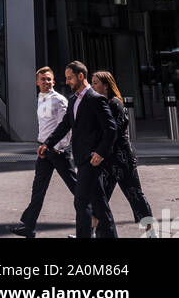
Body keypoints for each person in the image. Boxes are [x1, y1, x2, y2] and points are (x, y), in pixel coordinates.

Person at [40, 60, 117, 239]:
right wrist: (47, 143)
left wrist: (101, 152)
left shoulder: (96, 99)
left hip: (92, 159)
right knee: (99, 204)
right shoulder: (74, 99)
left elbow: (111, 128)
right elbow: (64, 125)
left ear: (81, 76)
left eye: (70, 78)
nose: (67, 82)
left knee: (81, 200)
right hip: (81, 158)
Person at [9, 66, 76, 238]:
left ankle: (91, 225)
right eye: (42, 79)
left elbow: (66, 127)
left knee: (77, 189)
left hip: (58, 151)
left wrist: (59, 147)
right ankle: (28, 227)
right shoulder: (40, 98)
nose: (46, 82)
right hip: (44, 150)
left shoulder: (59, 100)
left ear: (53, 81)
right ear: (37, 82)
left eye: (48, 79)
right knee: (37, 189)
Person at [91, 71, 153, 229]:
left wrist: (99, 150)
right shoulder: (101, 104)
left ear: (105, 86)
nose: (92, 86)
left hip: (122, 159)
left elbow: (114, 131)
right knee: (99, 197)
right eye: (92, 82)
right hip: (107, 159)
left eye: (96, 82)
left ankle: (151, 232)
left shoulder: (115, 103)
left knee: (135, 195)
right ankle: (87, 232)